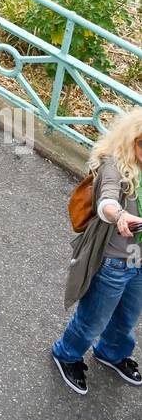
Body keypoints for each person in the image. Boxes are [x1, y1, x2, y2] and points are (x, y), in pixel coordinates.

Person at [51, 109, 142, 395]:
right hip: (114, 262)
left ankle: (111, 353)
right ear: (130, 140)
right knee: (93, 319)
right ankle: (66, 354)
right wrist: (119, 217)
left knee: (127, 318)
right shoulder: (113, 166)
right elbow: (106, 202)